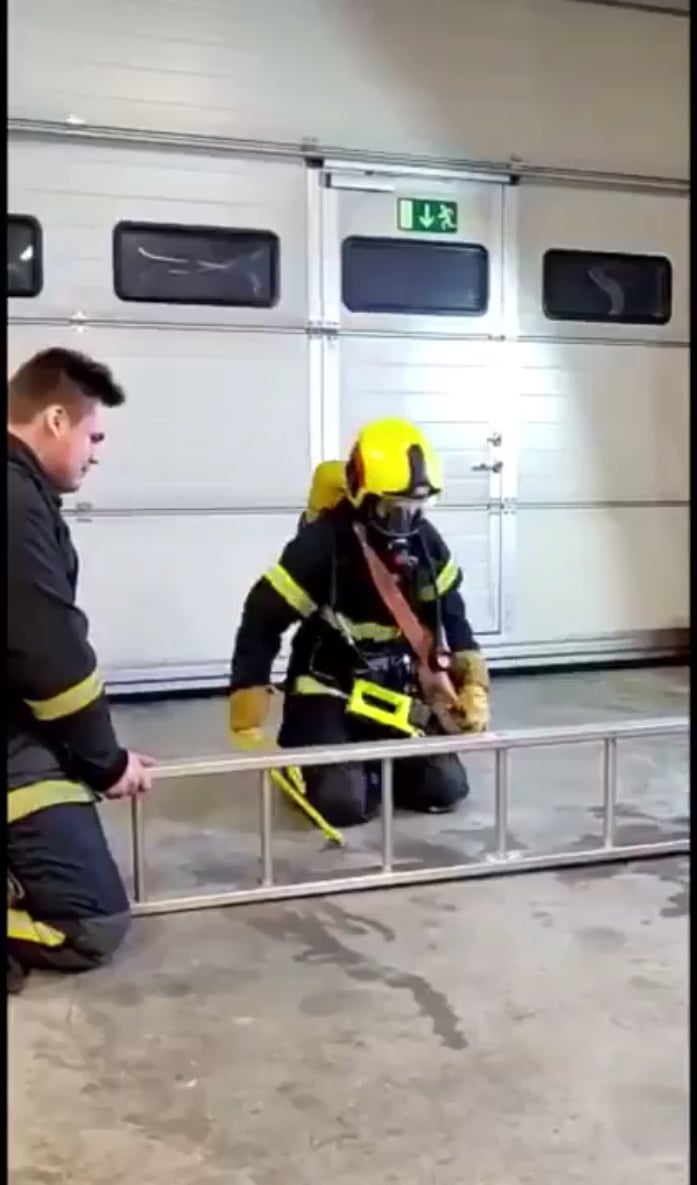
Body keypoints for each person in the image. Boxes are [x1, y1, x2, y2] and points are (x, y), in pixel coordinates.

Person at [228, 417, 490, 828]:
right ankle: (311, 751)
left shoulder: (425, 541)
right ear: (362, 495)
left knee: (444, 789)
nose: (405, 523)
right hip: (328, 688)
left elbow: (451, 613)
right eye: (393, 509)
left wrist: (470, 681)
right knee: (344, 805)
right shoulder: (321, 545)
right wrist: (249, 695)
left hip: (392, 692)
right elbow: (262, 617)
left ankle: (366, 756)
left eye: (416, 508)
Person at [7, 347, 155, 993]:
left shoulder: (21, 493)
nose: (97, 452)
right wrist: (105, 762)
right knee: (89, 924)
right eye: (93, 435)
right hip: (14, 733)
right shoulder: (12, 503)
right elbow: (51, 658)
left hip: (18, 724)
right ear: (57, 419)